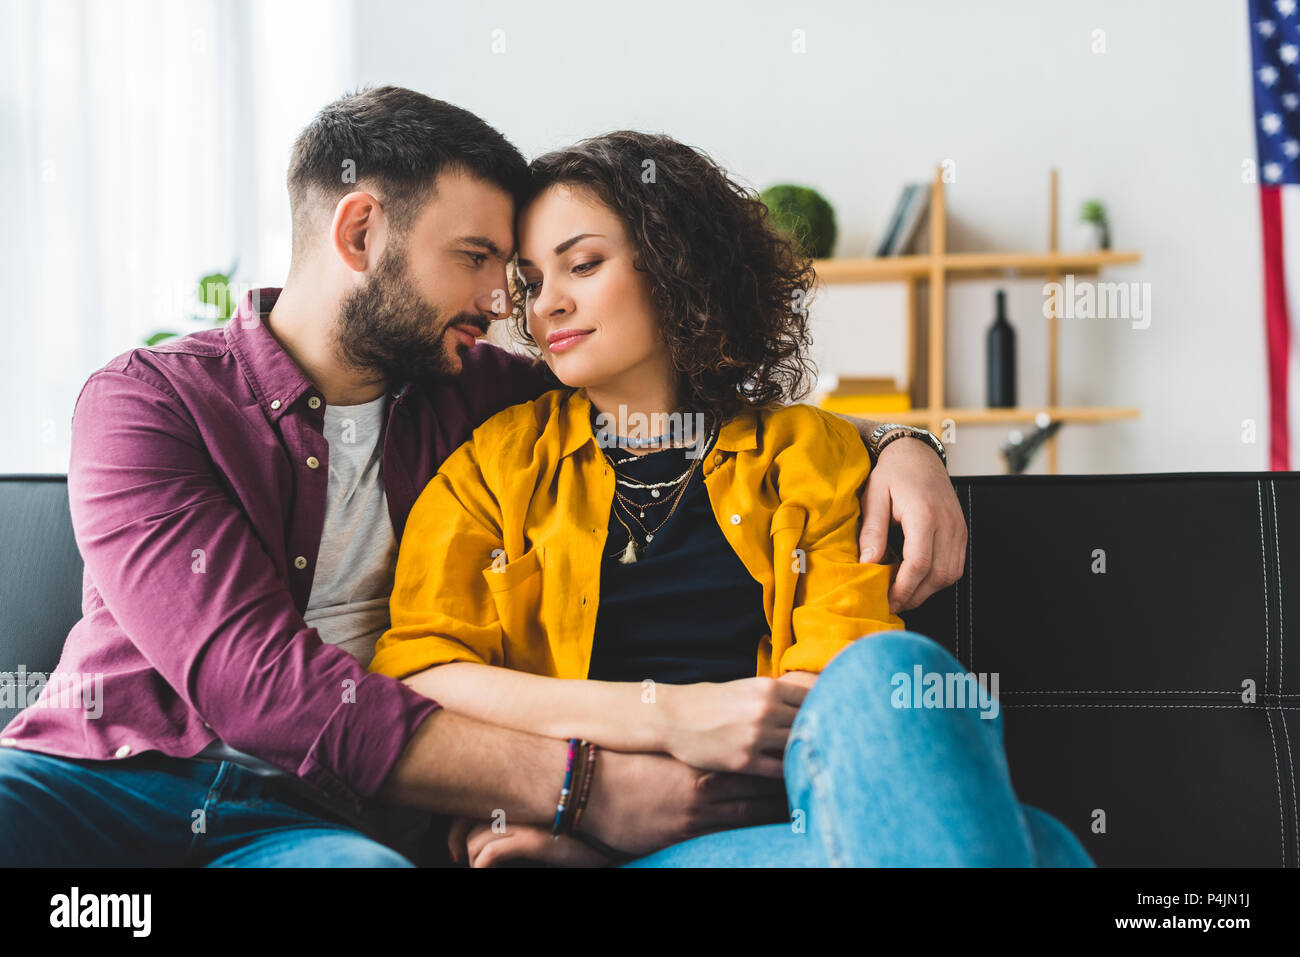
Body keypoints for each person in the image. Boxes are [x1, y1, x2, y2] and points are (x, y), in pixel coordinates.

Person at [0, 87, 968, 867]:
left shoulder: (478, 390)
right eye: (479, 261)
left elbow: (697, 406)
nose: (507, 303)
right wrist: (586, 783)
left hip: (314, 817)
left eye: (526, 270)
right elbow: (254, 683)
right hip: (104, 772)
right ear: (359, 233)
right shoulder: (151, 399)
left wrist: (902, 444)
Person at [368, 131, 1093, 868]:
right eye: (530, 281)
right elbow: (418, 676)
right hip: (603, 814)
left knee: (895, 672)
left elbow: (833, 691)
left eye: (583, 264)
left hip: (788, 822)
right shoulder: (491, 468)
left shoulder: (804, 452)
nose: (546, 304)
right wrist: (649, 745)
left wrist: (908, 440)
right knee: (1044, 848)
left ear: (677, 266)